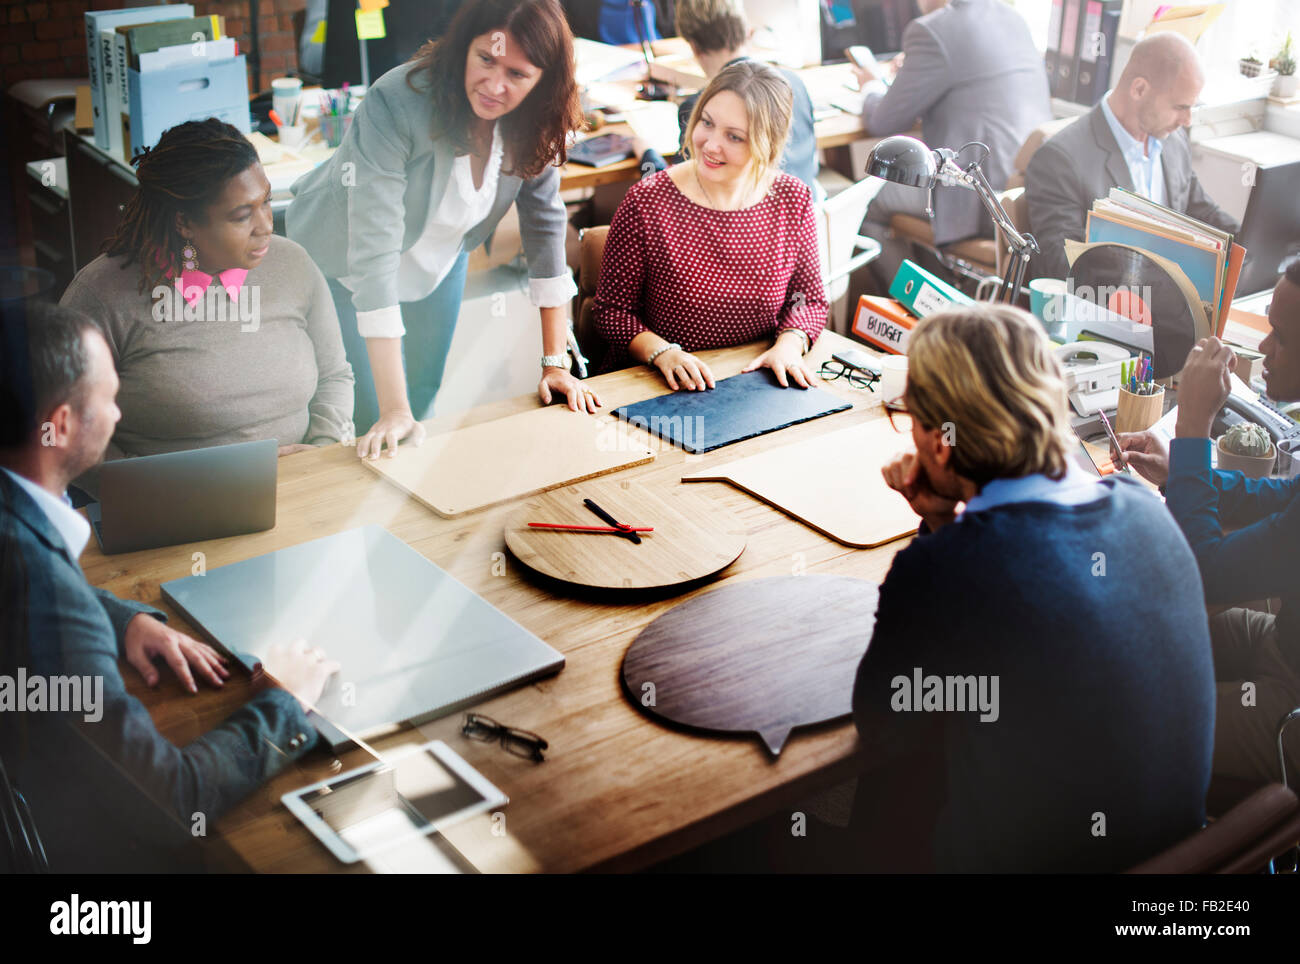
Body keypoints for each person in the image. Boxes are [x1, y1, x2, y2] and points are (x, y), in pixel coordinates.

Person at [852, 304, 1215, 872]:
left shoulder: (942, 567)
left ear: (943, 443)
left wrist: (937, 533)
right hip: (1183, 883)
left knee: (889, 791)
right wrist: (948, 521)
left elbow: (880, 718)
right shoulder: (1146, 506)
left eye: (911, 417)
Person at [0, 301, 339, 872]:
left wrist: (121, 617)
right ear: (56, 426)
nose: (118, 410)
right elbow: (167, 802)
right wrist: (285, 703)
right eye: (107, 397)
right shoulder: (47, 595)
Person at [288, 0, 599, 461]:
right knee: (372, 412)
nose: (494, 86)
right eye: (486, 59)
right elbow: (373, 252)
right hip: (346, 269)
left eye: (517, 74)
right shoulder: (398, 101)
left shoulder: (534, 119)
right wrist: (394, 410)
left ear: (543, 82)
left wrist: (555, 364)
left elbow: (545, 225)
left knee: (425, 397)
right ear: (463, 47)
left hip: (439, 259)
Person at [59, 119, 354, 470]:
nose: (266, 226)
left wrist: (323, 451)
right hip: (174, 507)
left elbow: (335, 374)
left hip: (305, 485)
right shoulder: (101, 296)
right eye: (242, 215)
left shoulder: (294, 264)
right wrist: (143, 489)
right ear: (184, 222)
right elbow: (60, 427)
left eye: (266, 202)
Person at [1120, 262, 1300, 787]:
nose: (1263, 349)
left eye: (1282, 338)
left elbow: (1203, 572)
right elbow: (1281, 496)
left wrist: (1194, 426)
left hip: (1292, 705)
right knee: (1131, 631)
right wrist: (1185, 472)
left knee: (1122, 721)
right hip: (1285, 646)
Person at [593, 60, 827, 389]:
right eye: (707, 122)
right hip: (659, 383)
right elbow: (612, 312)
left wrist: (788, 345)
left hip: (755, 379)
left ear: (767, 144)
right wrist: (663, 353)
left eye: (734, 136)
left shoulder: (792, 198)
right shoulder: (647, 202)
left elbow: (808, 299)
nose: (711, 144)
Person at [852, 0, 1050, 284]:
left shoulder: (931, 31)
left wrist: (871, 85)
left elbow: (883, 121)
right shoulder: (1011, 17)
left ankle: (920, 308)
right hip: (1020, 192)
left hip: (978, 196)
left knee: (866, 202)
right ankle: (938, 293)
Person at [1026, 31, 1239, 280]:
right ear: (1139, 89)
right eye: (1180, 107)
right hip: (1105, 308)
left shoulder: (1172, 142)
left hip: (1165, 306)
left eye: (1193, 107)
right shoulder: (1059, 160)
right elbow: (1062, 264)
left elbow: (1202, 213)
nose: (1187, 120)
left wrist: (1254, 242)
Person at [632, 0, 819, 193]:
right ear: (747, 32)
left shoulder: (698, 106)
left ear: (693, 46)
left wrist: (648, 156)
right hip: (809, 212)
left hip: (745, 220)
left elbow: (677, 195)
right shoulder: (794, 82)